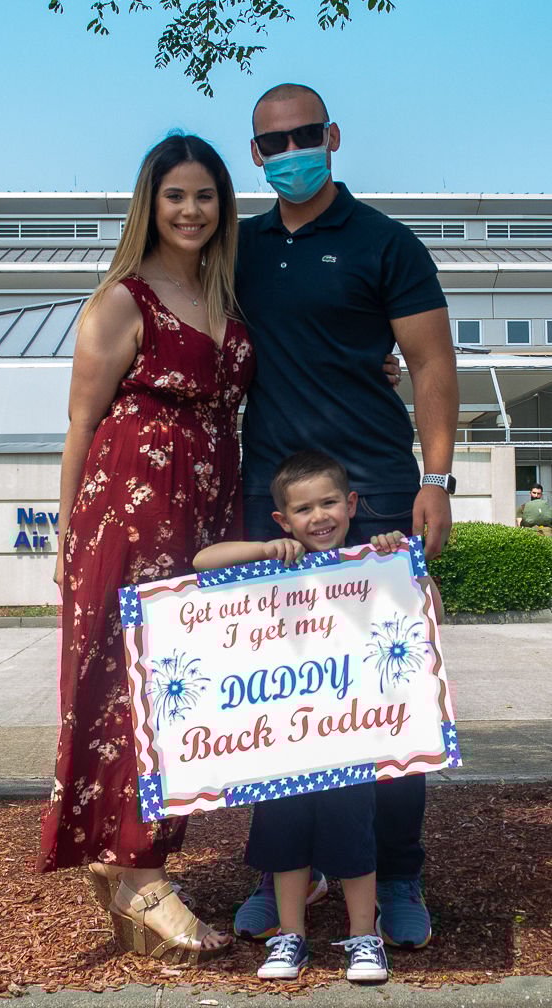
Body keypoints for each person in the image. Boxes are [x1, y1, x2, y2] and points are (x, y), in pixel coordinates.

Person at [233, 83, 459, 950]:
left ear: (331, 136)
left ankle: (397, 871)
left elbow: (431, 362)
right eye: (272, 142)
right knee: (275, 698)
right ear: (255, 155)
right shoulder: (238, 248)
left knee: (387, 696)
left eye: (303, 134)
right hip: (273, 504)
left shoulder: (384, 243)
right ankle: (284, 869)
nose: (290, 150)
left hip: (375, 500)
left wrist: (434, 478)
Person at [38, 133, 254, 962]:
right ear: (150, 205)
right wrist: (66, 535)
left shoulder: (228, 296)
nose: (191, 211)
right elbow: (80, 426)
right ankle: (134, 869)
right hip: (130, 505)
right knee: (126, 682)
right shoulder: (122, 300)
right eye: (175, 197)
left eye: (204, 196)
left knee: (182, 686)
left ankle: (134, 860)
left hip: (206, 504)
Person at [195, 451, 442, 982]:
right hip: (282, 738)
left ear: (352, 505)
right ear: (284, 519)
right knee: (283, 833)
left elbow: (432, 618)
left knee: (355, 829)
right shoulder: (270, 564)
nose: (320, 516)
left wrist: (404, 565)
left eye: (330, 502)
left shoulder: (371, 565)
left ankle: (363, 937)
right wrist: (264, 546)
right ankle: (290, 938)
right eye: (303, 509)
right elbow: (200, 564)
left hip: (348, 735)